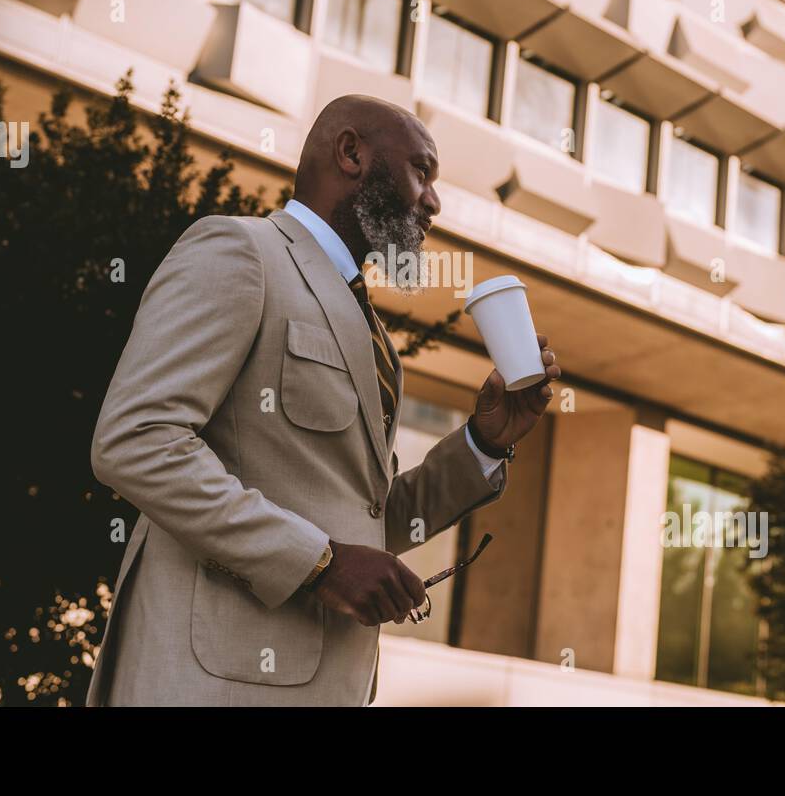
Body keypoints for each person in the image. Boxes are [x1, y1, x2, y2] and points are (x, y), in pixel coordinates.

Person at [86, 94, 561, 706]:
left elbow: (368, 517)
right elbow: (136, 440)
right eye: (422, 171)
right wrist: (319, 565)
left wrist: (485, 442)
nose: (434, 202)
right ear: (351, 153)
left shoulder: (374, 336)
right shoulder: (239, 251)